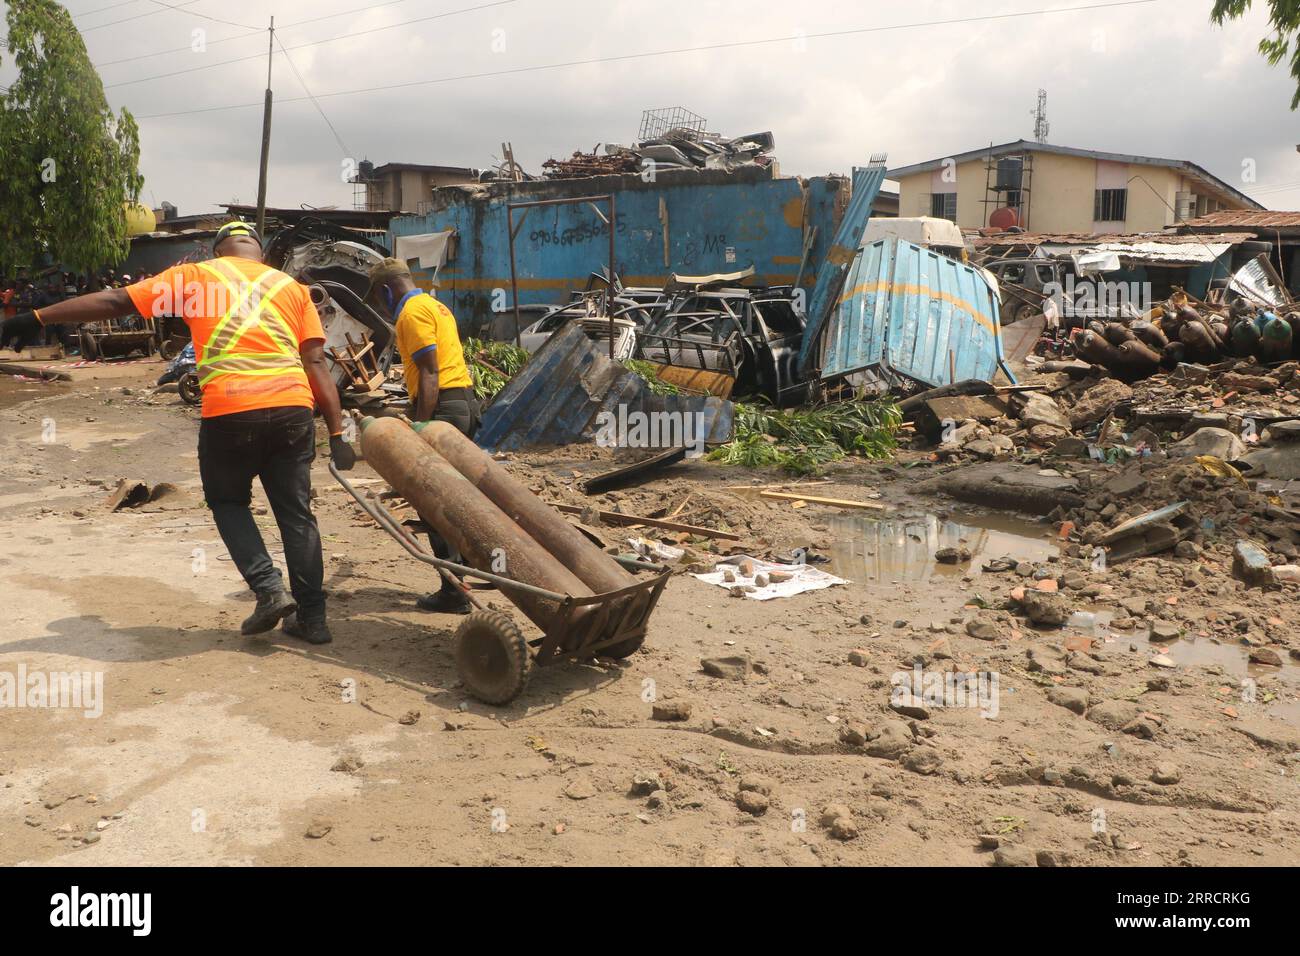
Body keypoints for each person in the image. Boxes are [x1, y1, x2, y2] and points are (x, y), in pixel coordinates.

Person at [0, 221, 357, 644]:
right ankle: (313, 620)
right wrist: (337, 432)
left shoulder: (195, 276)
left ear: (218, 250)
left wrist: (34, 316)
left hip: (231, 407)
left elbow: (117, 301)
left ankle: (268, 588)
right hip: (292, 408)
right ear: (258, 253)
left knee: (228, 501)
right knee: (297, 515)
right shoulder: (291, 288)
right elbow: (316, 363)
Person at [368, 257, 478, 614]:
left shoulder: (412, 313)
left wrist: (421, 427)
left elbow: (430, 372)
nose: (380, 305)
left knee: (434, 502)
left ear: (386, 291)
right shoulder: (435, 305)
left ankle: (454, 591)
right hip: (462, 402)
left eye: (378, 298)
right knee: (454, 497)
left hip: (444, 405)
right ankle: (462, 570)